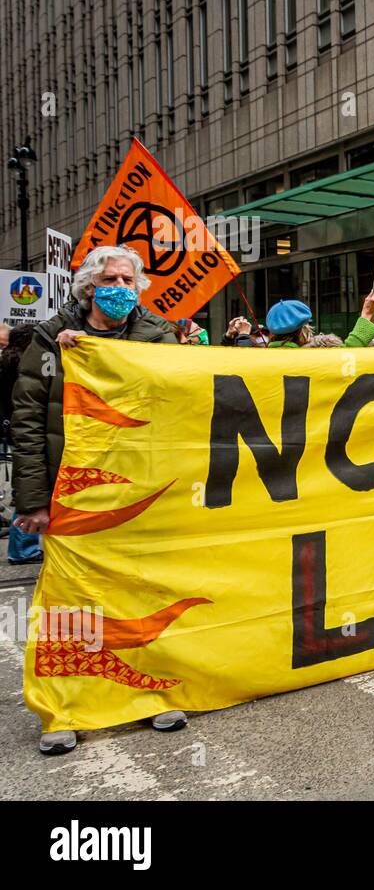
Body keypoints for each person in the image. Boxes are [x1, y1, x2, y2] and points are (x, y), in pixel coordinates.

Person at [9, 246, 183, 756]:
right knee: (72, 602)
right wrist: (33, 500)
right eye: (111, 278)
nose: (121, 287)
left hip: (139, 493)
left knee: (142, 595)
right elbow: (27, 424)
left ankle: (151, 693)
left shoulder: (159, 334)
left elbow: (180, 400)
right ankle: (64, 708)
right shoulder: (49, 339)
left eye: (129, 279)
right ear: (89, 286)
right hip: (73, 494)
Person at [1, 324, 41, 564]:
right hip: (25, 431)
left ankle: (22, 548)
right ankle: (22, 550)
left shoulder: (6, 362)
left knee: (23, 490)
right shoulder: (26, 364)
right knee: (27, 492)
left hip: (14, 430)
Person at [266, 291, 374, 348]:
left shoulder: (258, 358)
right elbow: (349, 352)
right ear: (302, 331)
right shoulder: (308, 358)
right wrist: (366, 313)